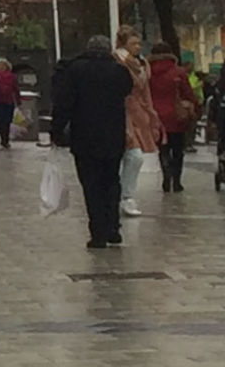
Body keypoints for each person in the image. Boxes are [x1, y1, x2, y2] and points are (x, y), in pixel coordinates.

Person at [51, 34, 137, 249]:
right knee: (111, 181)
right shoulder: (118, 71)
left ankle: (97, 232)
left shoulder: (75, 70)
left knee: (91, 185)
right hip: (112, 136)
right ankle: (113, 228)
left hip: (84, 136)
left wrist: (56, 130)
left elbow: (64, 103)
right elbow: (128, 89)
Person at [116, 29, 161, 216]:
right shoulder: (118, 62)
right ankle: (124, 196)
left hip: (137, 113)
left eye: (138, 43)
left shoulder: (141, 64)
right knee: (133, 156)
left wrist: (151, 115)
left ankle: (124, 195)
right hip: (122, 112)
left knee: (132, 156)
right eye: (133, 43)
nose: (137, 47)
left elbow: (145, 92)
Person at [149, 42, 197, 192]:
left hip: (156, 116)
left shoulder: (148, 72)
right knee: (177, 149)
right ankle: (177, 181)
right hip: (176, 116)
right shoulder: (178, 72)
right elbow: (188, 93)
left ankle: (166, 176)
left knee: (163, 149)